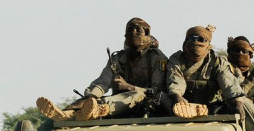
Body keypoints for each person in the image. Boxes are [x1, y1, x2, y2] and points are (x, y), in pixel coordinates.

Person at [36, 17, 168, 121]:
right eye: (129, 30)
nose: (133, 33)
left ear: (147, 34)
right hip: (118, 104)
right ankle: (68, 113)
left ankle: (99, 108)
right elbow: (102, 82)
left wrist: (129, 87)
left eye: (137, 30)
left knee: (137, 95)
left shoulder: (157, 58)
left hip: (148, 104)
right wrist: (90, 96)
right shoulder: (118, 58)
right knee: (90, 99)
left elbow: (158, 90)